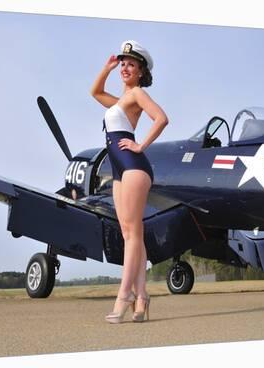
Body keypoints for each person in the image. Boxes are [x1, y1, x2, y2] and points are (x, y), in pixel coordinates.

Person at [90, 40, 169, 323]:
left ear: (140, 71)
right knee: (129, 234)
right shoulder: (120, 101)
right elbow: (95, 92)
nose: (125, 67)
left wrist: (141, 146)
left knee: (133, 233)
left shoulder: (137, 94)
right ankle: (142, 299)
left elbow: (161, 118)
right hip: (119, 172)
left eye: (130, 64)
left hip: (134, 166)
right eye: (123, 63)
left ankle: (123, 298)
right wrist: (108, 67)